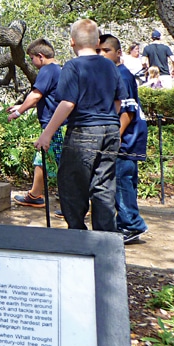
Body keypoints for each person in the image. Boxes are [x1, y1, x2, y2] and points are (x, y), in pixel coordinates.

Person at [35, 19, 127, 232]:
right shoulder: (110, 65)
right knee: (103, 186)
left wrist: (47, 134)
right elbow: (118, 100)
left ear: (72, 42)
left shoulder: (72, 66)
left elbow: (67, 103)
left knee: (72, 186)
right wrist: (108, 120)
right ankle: (104, 239)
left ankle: (77, 234)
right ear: (97, 42)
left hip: (83, 130)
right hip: (110, 129)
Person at [98, 34, 149, 244]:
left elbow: (127, 111)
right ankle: (127, 222)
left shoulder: (122, 75)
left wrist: (114, 138)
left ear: (118, 53)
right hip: (127, 139)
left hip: (127, 140)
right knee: (125, 180)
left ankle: (131, 224)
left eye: (106, 51)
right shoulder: (115, 74)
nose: (101, 54)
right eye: (98, 51)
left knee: (122, 181)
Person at [8, 38, 63, 208]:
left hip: (52, 125)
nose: (31, 62)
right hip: (57, 123)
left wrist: (18, 112)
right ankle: (42, 193)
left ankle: (35, 195)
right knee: (52, 160)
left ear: (40, 56)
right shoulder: (58, 69)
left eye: (31, 58)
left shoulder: (47, 70)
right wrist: (21, 105)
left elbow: (36, 95)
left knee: (42, 158)